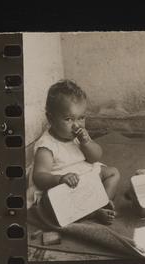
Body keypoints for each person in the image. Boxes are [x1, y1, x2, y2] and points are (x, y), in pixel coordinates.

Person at [28, 80, 120, 225]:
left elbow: (95, 157)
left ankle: (102, 202)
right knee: (50, 202)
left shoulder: (78, 135)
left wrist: (87, 143)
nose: (76, 125)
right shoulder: (46, 146)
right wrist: (60, 179)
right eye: (68, 119)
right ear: (50, 119)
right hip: (65, 184)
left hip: (84, 173)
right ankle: (92, 212)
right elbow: (39, 176)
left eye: (81, 117)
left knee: (113, 173)